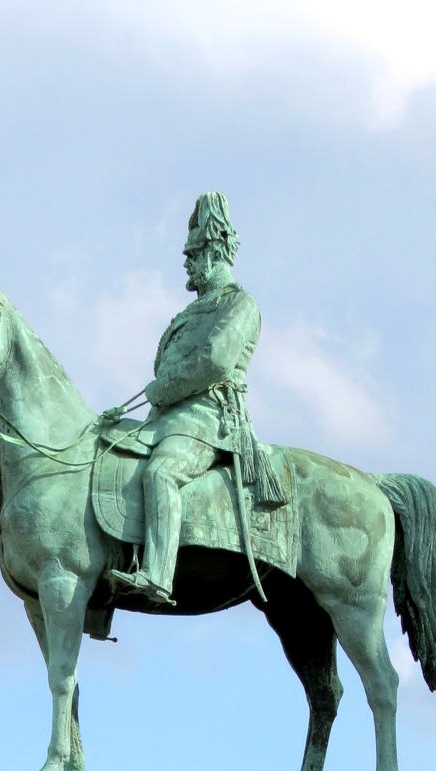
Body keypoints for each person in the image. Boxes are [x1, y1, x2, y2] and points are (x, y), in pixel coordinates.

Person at [105, 192, 278, 607]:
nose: (187, 262)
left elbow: (214, 363)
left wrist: (161, 390)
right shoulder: (188, 314)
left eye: (193, 253)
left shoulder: (239, 304)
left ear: (214, 252)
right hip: (166, 418)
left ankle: (158, 574)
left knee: (160, 474)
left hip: (209, 419)